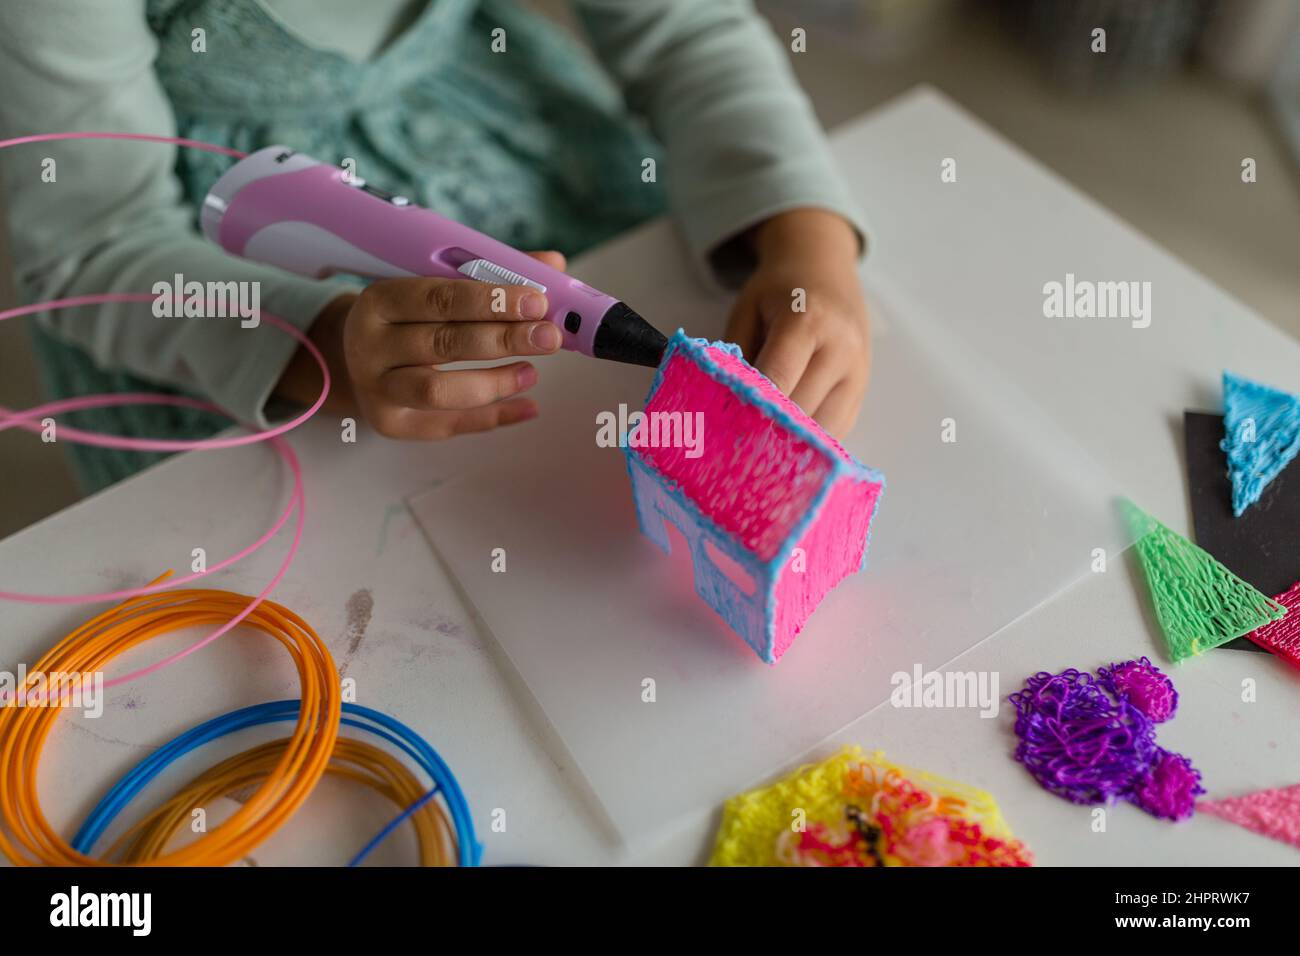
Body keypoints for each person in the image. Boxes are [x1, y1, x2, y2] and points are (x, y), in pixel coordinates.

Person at [0, 0, 871, 492]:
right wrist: (330, 347)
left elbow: (691, 32)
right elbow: (93, 246)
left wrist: (805, 247)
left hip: (481, 112)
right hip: (209, 269)